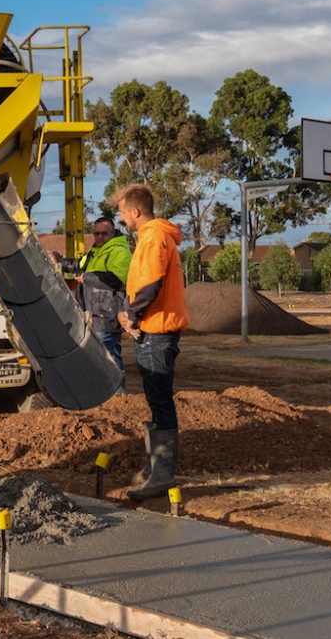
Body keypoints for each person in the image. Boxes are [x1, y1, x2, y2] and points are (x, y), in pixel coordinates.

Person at [114, 184, 189, 502]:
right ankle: (155, 468)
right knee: (155, 398)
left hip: (157, 331)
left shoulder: (155, 236)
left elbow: (151, 283)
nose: (121, 218)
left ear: (135, 211)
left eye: (121, 212)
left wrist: (131, 314)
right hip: (153, 328)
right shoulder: (151, 236)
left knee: (160, 399)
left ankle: (162, 474)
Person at [77, 216, 132, 391]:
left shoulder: (120, 252)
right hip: (93, 314)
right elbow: (80, 267)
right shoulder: (95, 252)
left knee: (108, 359)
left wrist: (87, 278)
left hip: (108, 314)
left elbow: (116, 279)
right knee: (99, 359)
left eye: (104, 233)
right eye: (96, 233)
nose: (99, 237)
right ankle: (106, 396)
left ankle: (118, 396)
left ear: (113, 232)